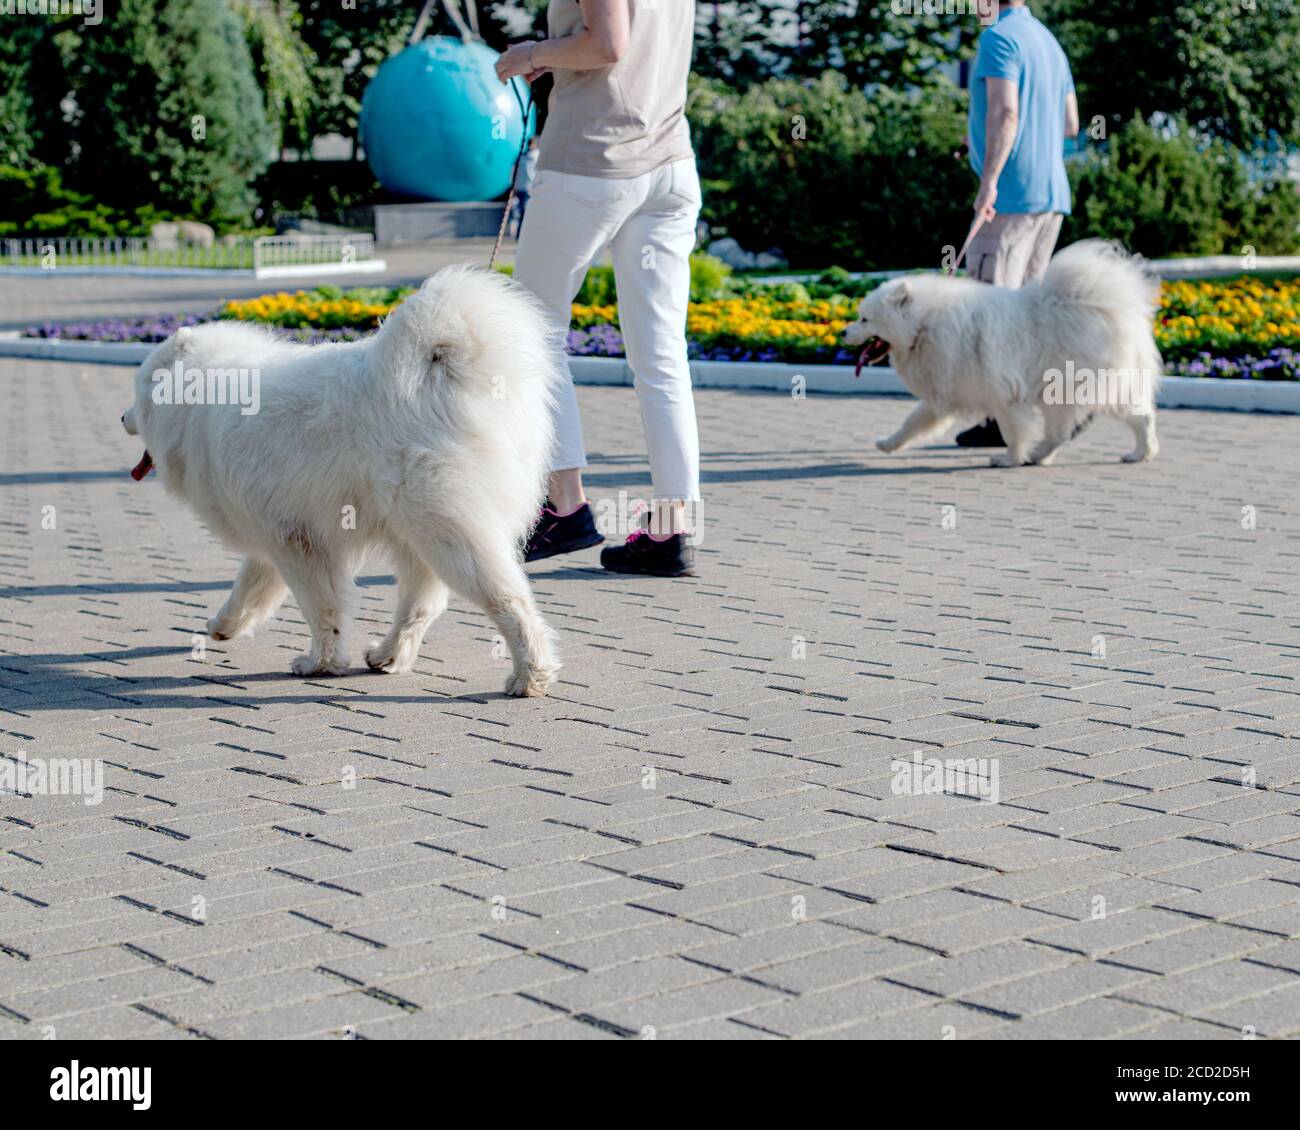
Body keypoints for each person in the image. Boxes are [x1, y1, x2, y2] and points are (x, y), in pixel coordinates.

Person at [495, 0, 701, 577]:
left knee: (532, 333)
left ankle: (566, 505)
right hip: (670, 165)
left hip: (592, 160)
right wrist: (559, 55)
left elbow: (608, 44)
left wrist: (529, 54)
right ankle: (671, 529)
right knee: (661, 354)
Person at [958, 0, 1079, 448]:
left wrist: (988, 181)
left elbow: (1006, 113)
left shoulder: (998, 37)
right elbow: (1071, 123)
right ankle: (1049, 410)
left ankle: (1001, 421)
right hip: (1051, 195)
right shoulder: (1049, 41)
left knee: (992, 312)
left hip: (1009, 195)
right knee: (1030, 316)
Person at [511, 136, 539, 238]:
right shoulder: (522, 157)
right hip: (523, 188)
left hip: (532, 188)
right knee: (523, 212)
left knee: (528, 212)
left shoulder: (537, 157)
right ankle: (521, 234)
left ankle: (527, 235)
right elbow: (515, 172)